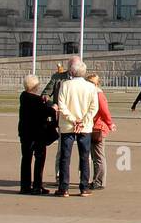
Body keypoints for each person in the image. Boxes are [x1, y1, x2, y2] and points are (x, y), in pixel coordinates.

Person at [54, 57, 98, 197]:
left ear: (72, 72)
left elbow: (61, 105)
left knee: (65, 157)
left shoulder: (65, 85)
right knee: (84, 157)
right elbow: (94, 107)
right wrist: (82, 121)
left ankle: (64, 187)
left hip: (68, 125)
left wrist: (73, 120)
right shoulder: (91, 87)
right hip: (84, 127)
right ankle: (84, 187)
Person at [17, 75, 53, 195]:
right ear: (36, 87)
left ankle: (25, 186)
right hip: (38, 134)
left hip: (25, 133)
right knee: (39, 158)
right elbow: (48, 112)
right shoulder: (37, 100)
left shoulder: (23, 96)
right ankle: (37, 185)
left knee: (26, 159)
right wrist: (52, 106)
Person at [88, 74, 114, 190]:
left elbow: (105, 111)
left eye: (92, 83)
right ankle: (96, 179)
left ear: (97, 84)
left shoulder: (98, 94)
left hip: (98, 127)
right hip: (92, 127)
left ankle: (99, 181)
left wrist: (110, 123)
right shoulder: (92, 93)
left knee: (98, 156)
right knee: (94, 156)